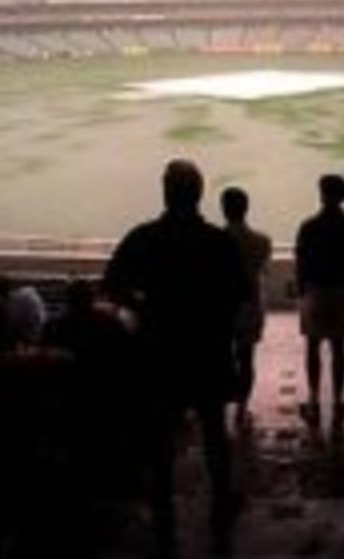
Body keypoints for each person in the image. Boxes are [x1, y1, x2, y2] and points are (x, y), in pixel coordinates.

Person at [101, 159, 247, 556]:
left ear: (165, 193)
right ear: (199, 194)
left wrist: (144, 308)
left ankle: (164, 522)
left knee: (160, 442)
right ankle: (220, 509)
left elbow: (112, 287)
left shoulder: (143, 238)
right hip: (208, 353)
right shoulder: (219, 243)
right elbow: (240, 295)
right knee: (214, 435)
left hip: (159, 355)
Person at [294, 174, 344, 429]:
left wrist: (301, 292)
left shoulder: (309, 226)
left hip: (315, 291)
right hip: (341, 289)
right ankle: (338, 400)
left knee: (312, 346)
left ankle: (314, 398)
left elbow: (300, 264)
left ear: (322, 194)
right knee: (339, 348)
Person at [220, 186, 272, 429]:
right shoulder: (262, 241)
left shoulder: (214, 239)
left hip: (221, 307)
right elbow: (262, 270)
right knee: (246, 359)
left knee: (220, 357)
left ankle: (219, 405)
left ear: (224, 209)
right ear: (246, 208)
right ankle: (242, 408)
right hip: (250, 306)